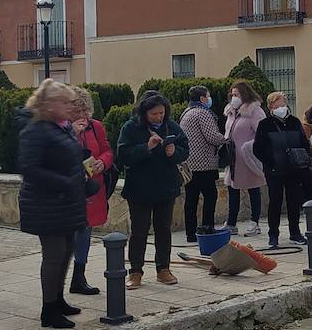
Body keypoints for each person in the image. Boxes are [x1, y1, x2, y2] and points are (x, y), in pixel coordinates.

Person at [17, 80, 90, 328]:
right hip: (46, 204)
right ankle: (48, 311)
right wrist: (64, 182)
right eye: (65, 102)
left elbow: (70, 160)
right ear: (49, 105)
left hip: (66, 202)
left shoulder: (62, 127)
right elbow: (29, 169)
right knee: (53, 255)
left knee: (67, 250)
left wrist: (82, 180)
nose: (70, 107)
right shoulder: (35, 131)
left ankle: (58, 300)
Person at [118, 90, 190, 288]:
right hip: (139, 188)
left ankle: (163, 269)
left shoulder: (171, 126)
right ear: (144, 113)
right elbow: (123, 155)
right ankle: (135, 271)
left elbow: (185, 149)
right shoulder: (131, 128)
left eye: (161, 113)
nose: (158, 117)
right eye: (154, 114)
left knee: (163, 230)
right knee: (139, 231)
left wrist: (174, 152)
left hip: (166, 186)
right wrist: (146, 147)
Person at [69, 87, 112, 296]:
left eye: (86, 111)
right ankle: (57, 281)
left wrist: (103, 163)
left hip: (91, 188)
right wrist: (72, 134)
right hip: (69, 190)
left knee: (85, 231)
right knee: (67, 235)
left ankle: (79, 276)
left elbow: (107, 150)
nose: (83, 117)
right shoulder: (60, 130)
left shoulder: (96, 127)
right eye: (78, 113)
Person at [253, 92, 311, 248]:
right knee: (275, 203)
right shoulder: (265, 124)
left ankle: (295, 233)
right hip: (274, 171)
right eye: (277, 106)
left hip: (294, 169)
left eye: (283, 105)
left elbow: (304, 142)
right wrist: (270, 163)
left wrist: (301, 159)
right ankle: (273, 235)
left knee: (294, 202)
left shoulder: (294, 122)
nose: (281, 108)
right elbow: (257, 149)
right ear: (270, 107)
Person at [179, 85, 227, 239]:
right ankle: (207, 227)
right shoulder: (203, 113)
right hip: (204, 163)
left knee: (191, 198)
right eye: (208, 96)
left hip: (189, 163)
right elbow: (212, 136)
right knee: (210, 195)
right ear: (202, 98)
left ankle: (190, 233)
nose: (209, 99)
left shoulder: (186, 113)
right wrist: (226, 139)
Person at [223, 81, 265, 236]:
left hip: (247, 158)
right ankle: (231, 222)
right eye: (232, 95)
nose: (234, 98)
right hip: (232, 158)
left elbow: (262, 134)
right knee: (232, 188)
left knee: (253, 188)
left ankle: (255, 223)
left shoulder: (255, 112)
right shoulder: (231, 112)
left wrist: (249, 148)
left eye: (237, 95)